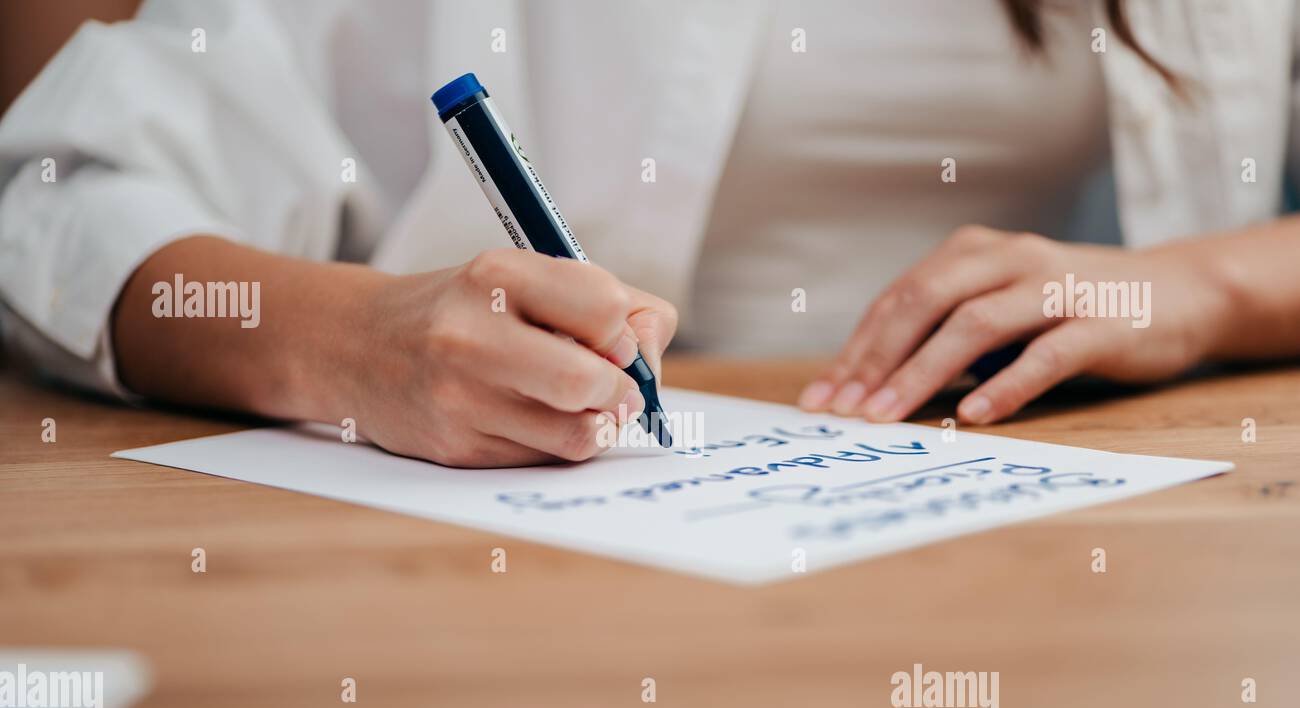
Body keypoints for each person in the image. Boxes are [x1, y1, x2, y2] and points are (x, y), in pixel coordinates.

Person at [2, 0, 1299, 467]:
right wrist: (352, 344)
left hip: (1028, 509)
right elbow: (61, 192)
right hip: (500, 537)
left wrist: (1198, 289)